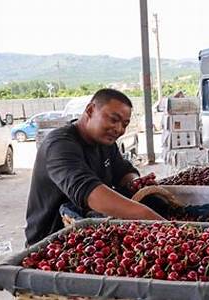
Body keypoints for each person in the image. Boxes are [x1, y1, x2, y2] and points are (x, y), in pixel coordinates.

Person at [25, 88, 164, 245]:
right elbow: (90, 193)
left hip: (90, 237)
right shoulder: (60, 145)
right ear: (90, 110)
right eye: (113, 119)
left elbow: (124, 172)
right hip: (51, 243)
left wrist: (137, 184)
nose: (119, 129)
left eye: (124, 124)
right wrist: (152, 219)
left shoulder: (105, 143)